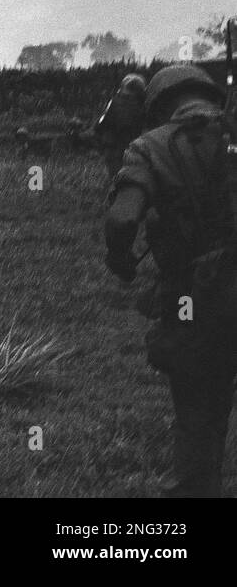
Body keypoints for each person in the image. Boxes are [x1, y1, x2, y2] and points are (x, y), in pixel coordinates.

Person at [104, 64, 237, 497]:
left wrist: (120, 257)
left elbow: (124, 217)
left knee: (199, 414)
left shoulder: (150, 147)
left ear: (158, 106)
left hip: (198, 300)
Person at [96, 73, 148, 179]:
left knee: (115, 174)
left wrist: (97, 131)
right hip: (134, 144)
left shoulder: (115, 102)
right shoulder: (144, 105)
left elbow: (103, 122)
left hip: (113, 144)